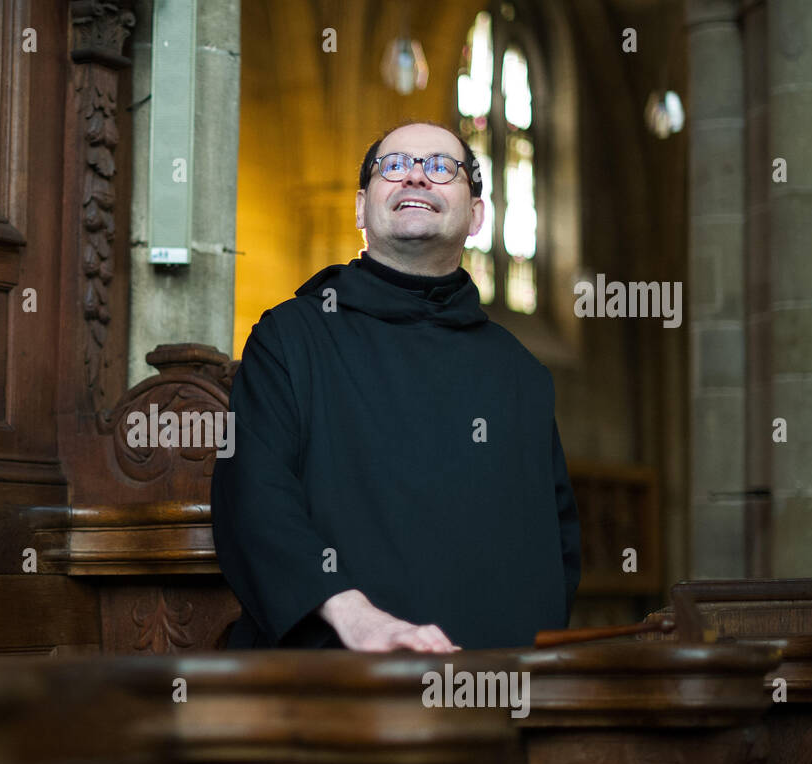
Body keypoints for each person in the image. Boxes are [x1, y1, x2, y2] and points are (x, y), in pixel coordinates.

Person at [211, 122, 581, 653]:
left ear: (476, 215)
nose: (415, 177)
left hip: (493, 697)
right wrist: (352, 614)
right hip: (343, 687)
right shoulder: (290, 337)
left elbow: (558, 548)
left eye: (440, 167)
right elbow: (253, 499)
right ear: (361, 209)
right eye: (394, 166)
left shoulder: (521, 373)